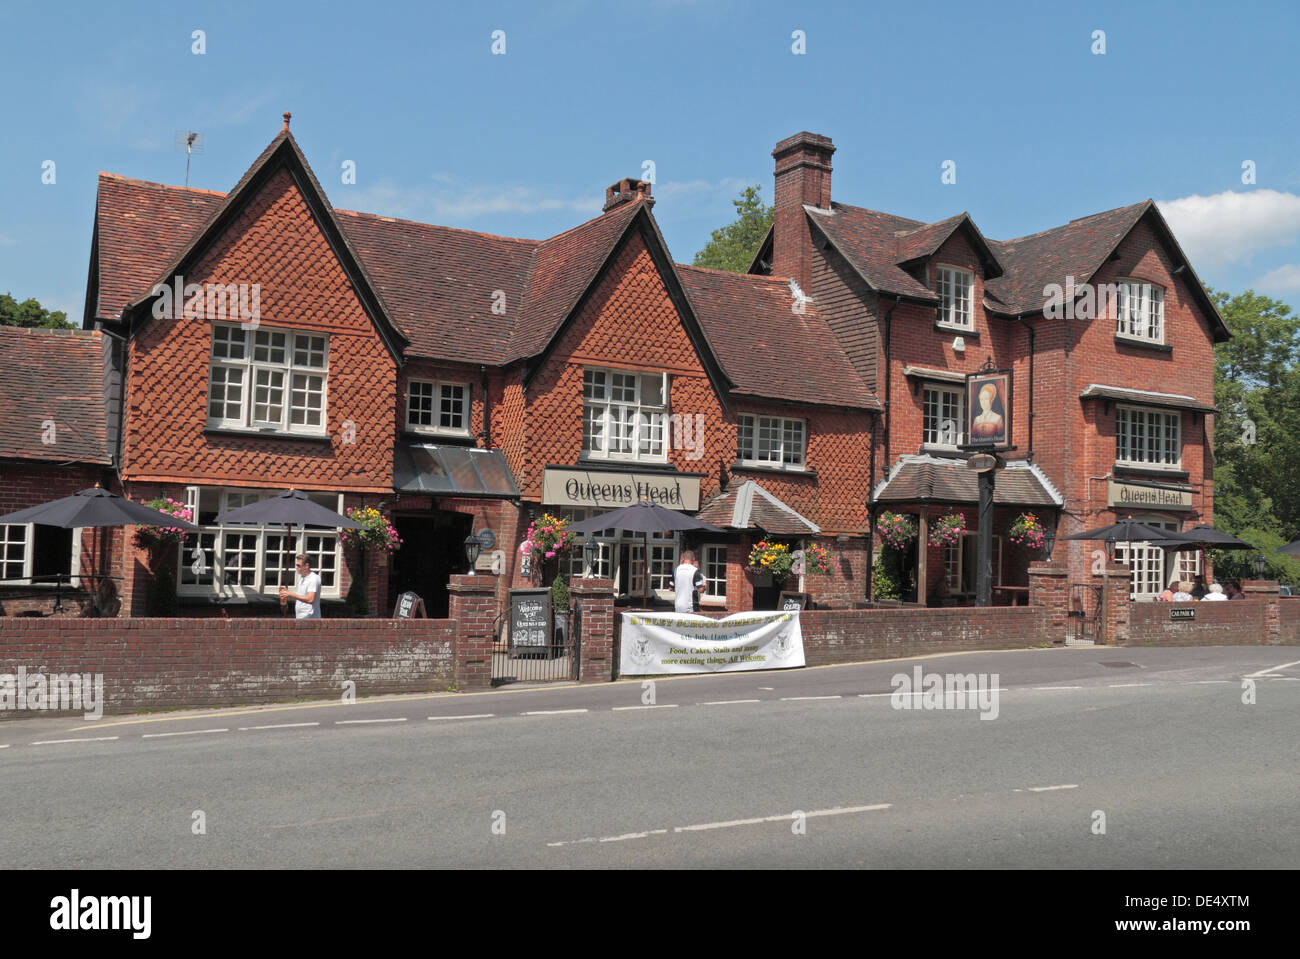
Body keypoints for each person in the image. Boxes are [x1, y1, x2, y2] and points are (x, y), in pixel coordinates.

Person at [279, 553, 322, 619]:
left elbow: (310, 599)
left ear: (306, 566)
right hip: (301, 616)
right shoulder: (302, 578)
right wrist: (288, 595)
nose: (296, 567)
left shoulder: (313, 579)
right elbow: (301, 597)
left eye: (298, 565)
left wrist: (291, 594)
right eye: (296, 565)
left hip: (310, 618)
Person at [673, 550, 706, 614]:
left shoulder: (676, 570)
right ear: (693, 559)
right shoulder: (695, 571)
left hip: (678, 606)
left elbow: (671, 588)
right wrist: (705, 587)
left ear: (683, 558)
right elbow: (701, 590)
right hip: (691, 607)